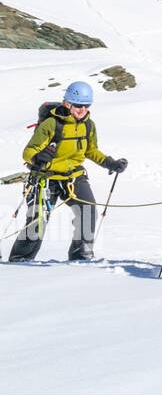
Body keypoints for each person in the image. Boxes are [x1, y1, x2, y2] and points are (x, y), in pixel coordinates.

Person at [9, 81, 127, 262]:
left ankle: (81, 256)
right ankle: (20, 259)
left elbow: (90, 151)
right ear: (67, 103)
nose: (83, 110)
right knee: (36, 222)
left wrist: (110, 163)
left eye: (87, 106)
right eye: (78, 105)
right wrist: (38, 158)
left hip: (73, 177)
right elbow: (28, 152)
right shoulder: (51, 124)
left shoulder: (88, 125)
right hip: (45, 178)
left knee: (88, 210)